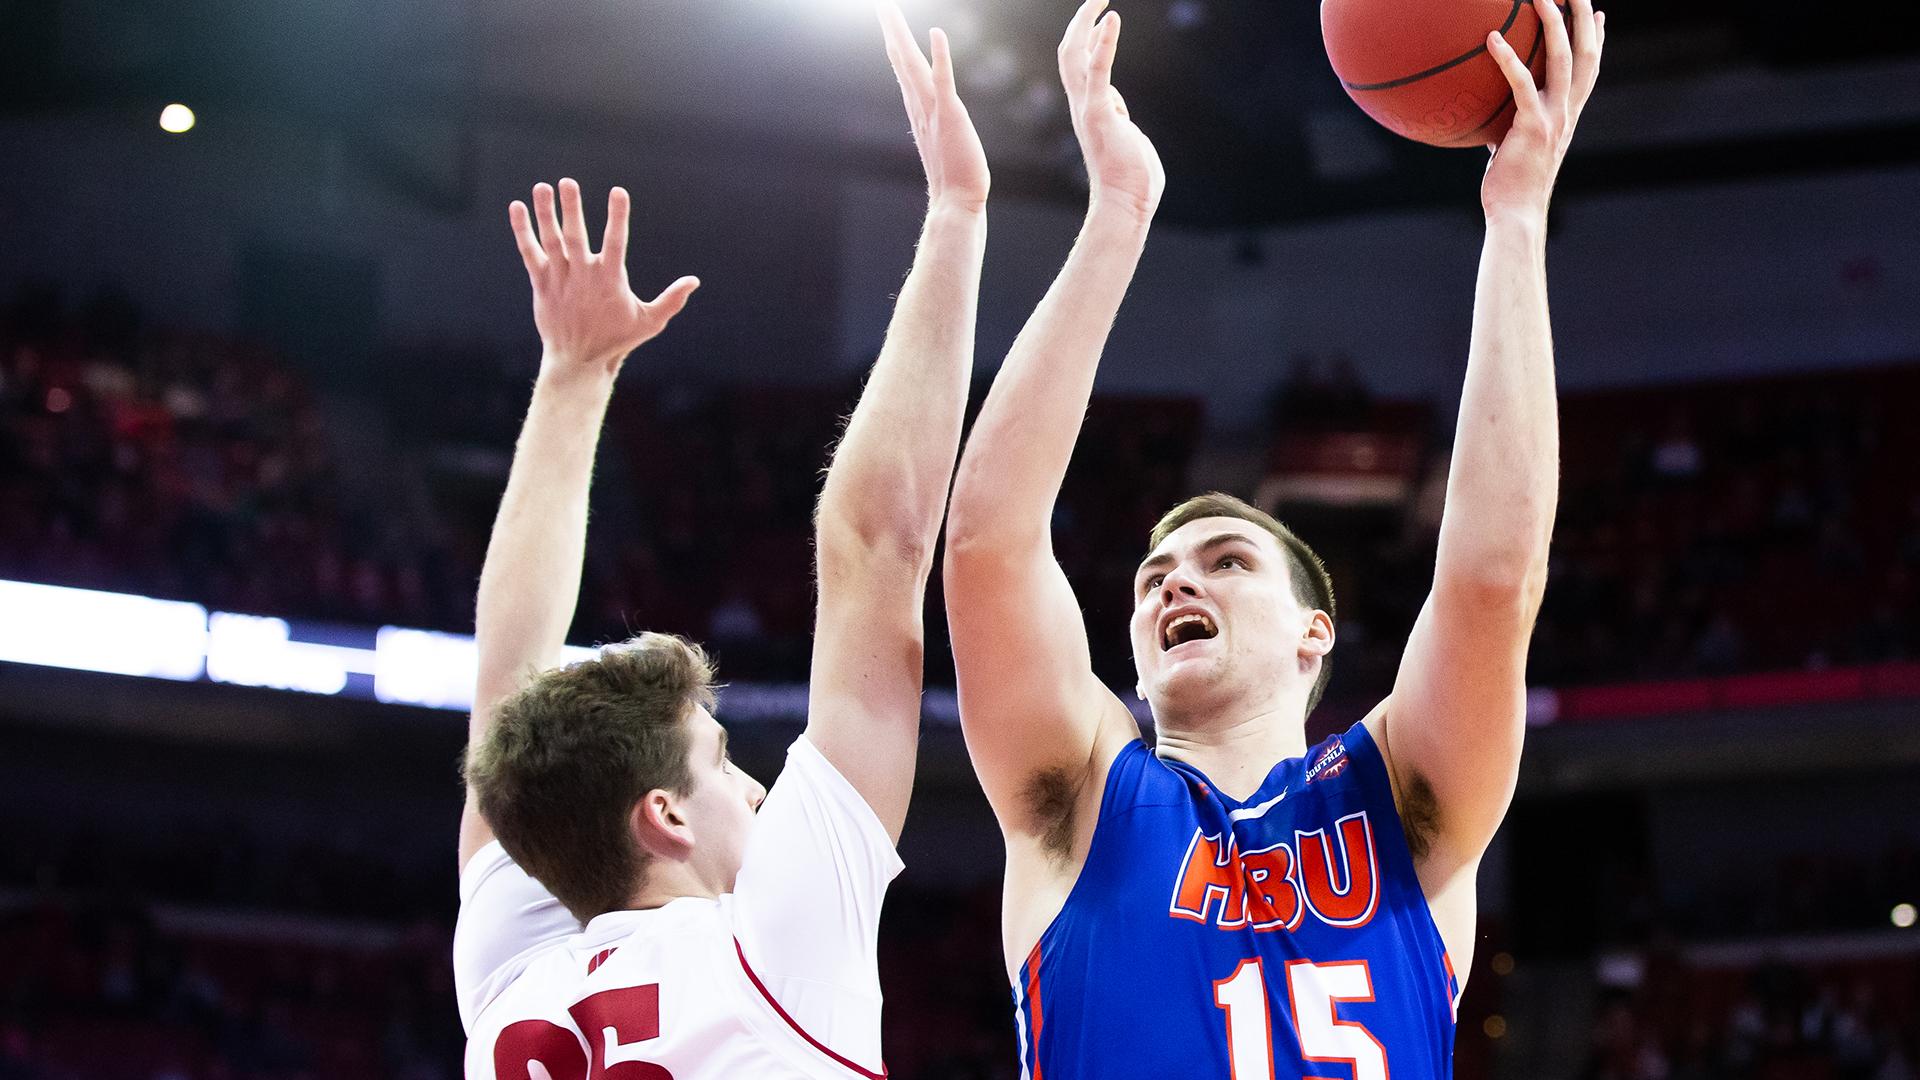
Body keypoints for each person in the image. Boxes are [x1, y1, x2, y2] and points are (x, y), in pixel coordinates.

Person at [940, 0, 1604, 1075]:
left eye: (1225, 561)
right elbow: (987, 548)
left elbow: (1491, 581)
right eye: (1153, 575)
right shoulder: (1083, 797)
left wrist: (1517, 219)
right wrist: (1116, 213)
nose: (1171, 584)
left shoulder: (1396, 800)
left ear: (1315, 634)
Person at [450, 7, 990, 1076]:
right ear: (662, 816)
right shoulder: (774, 955)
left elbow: (511, 687)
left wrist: (572, 377)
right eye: (724, 763)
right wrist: (958, 216)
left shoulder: (514, 987)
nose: (754, 791)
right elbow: (873, 540)